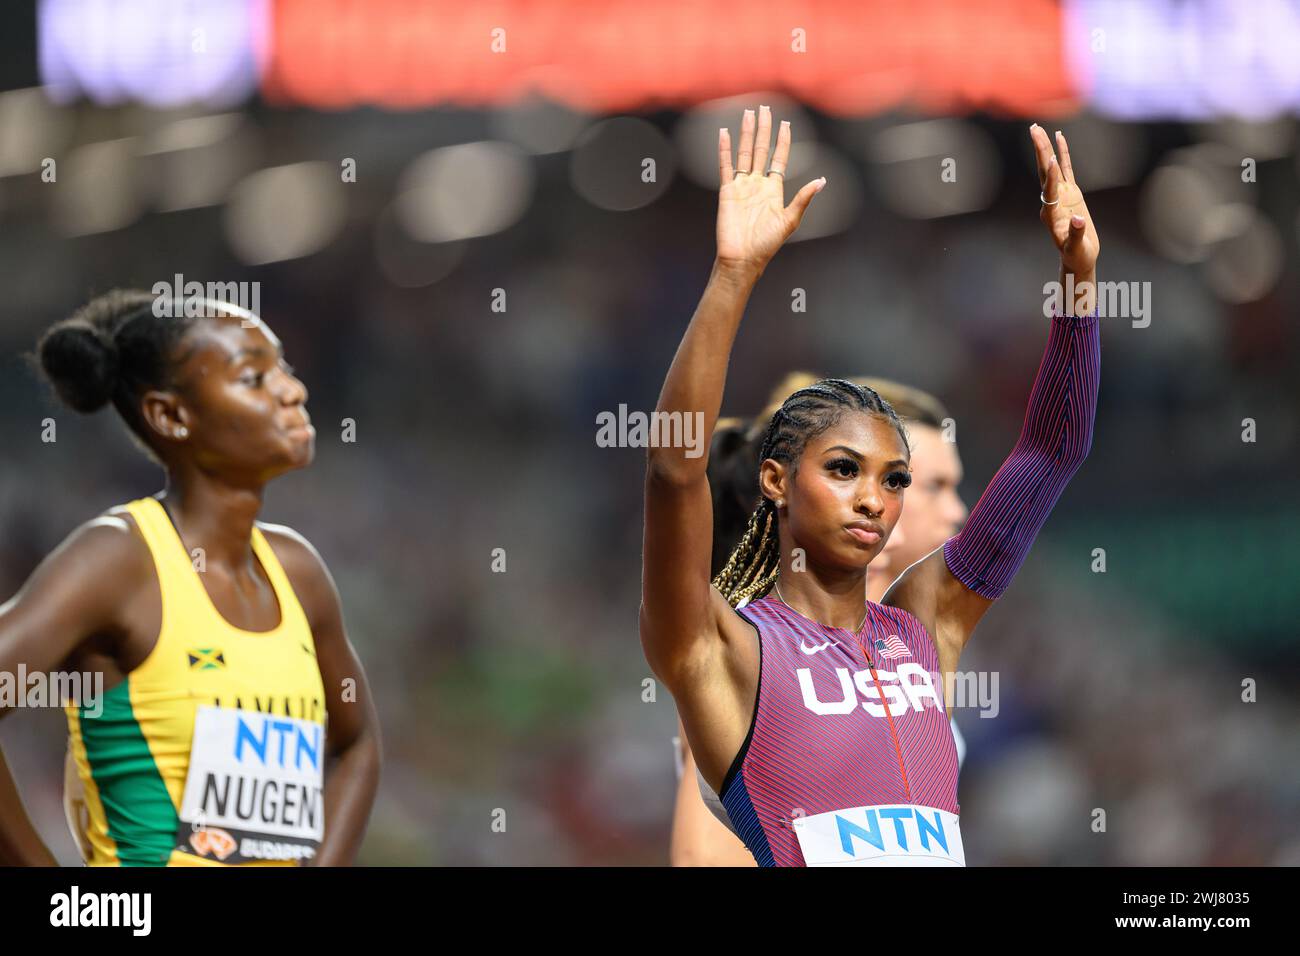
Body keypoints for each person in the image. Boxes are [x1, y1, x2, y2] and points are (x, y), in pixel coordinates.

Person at [641, 105, 1100, 865]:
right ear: (776, 480)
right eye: (843, 469)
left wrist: (1080, 283)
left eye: (893, 480)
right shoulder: (723, 647)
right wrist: (733, 276)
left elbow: (1051, 453)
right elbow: (670, 469)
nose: (872, 499)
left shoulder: (924, 626)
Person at [0, 291, 381, 866]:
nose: (292, 390)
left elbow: (357, 744)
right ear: (170, 416)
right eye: (254, 377)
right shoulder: (119, 560)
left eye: (285, 368)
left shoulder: (297, 573)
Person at [669, 377, 962, 866]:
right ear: (784, 483)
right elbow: (704, 858)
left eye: (897, 480)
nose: (958, 512)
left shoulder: (912, 638)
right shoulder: (751, 654)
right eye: (935, 486)